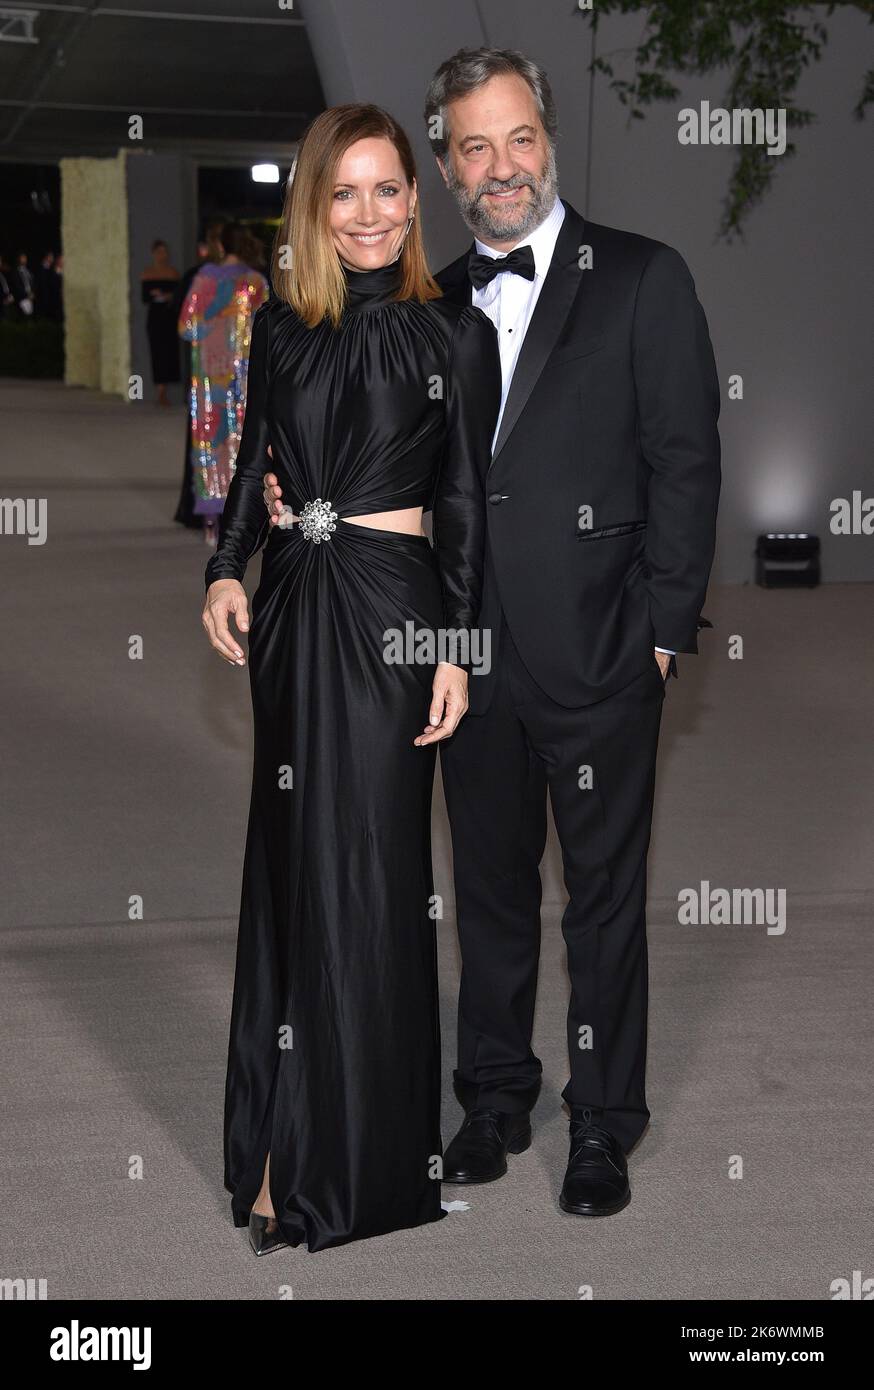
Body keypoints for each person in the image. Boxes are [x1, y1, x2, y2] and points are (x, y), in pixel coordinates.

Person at [263, 47, 721, 1220]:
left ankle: (604, 1124)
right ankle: (495, 1097)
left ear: (547, 140)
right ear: (447, 169)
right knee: (488, 890)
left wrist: (665, 631)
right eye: (473, 145)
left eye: (517, 138)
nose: (499, 164)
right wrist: (292, 503)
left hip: (602, 650)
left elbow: (684, 460)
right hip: (459, 654)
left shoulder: (639, 276)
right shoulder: (431, 303)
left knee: (605, 896)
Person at [201, 104, 501, 1254]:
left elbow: (467, 504)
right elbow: (250, 469)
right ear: (315, 208)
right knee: (289, 872)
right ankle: (282, 1147)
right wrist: (227, 572)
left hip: (395, 617)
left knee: (369, 879)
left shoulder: (450, 334)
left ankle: (363, 1165)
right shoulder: (277, 328)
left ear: (413, 203)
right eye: (346, 193)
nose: (369, 213)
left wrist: (460, 651)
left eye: (388, 191)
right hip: (292, 609)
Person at [179, 223, 268, 545]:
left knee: (210, 443)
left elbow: (187, 327)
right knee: (244, 442)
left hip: (208, 377)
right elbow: (268, 330)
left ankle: (212, 522)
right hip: (245, 377)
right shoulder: (256, 282)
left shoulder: (204, 279)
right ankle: (247, 519)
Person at [140, 239, 181, 405]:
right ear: (153, 254)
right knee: (156, 352)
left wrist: (169, 296)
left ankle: (165, 391)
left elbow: (178, 295)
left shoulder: (173, 273)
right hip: (155, 316)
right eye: (159, 252)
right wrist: (155, 295)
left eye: (164, 252)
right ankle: (159, 391)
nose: (162, 255)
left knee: (169, 352)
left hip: (169, 316)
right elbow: (144, 297)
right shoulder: (147, 273)